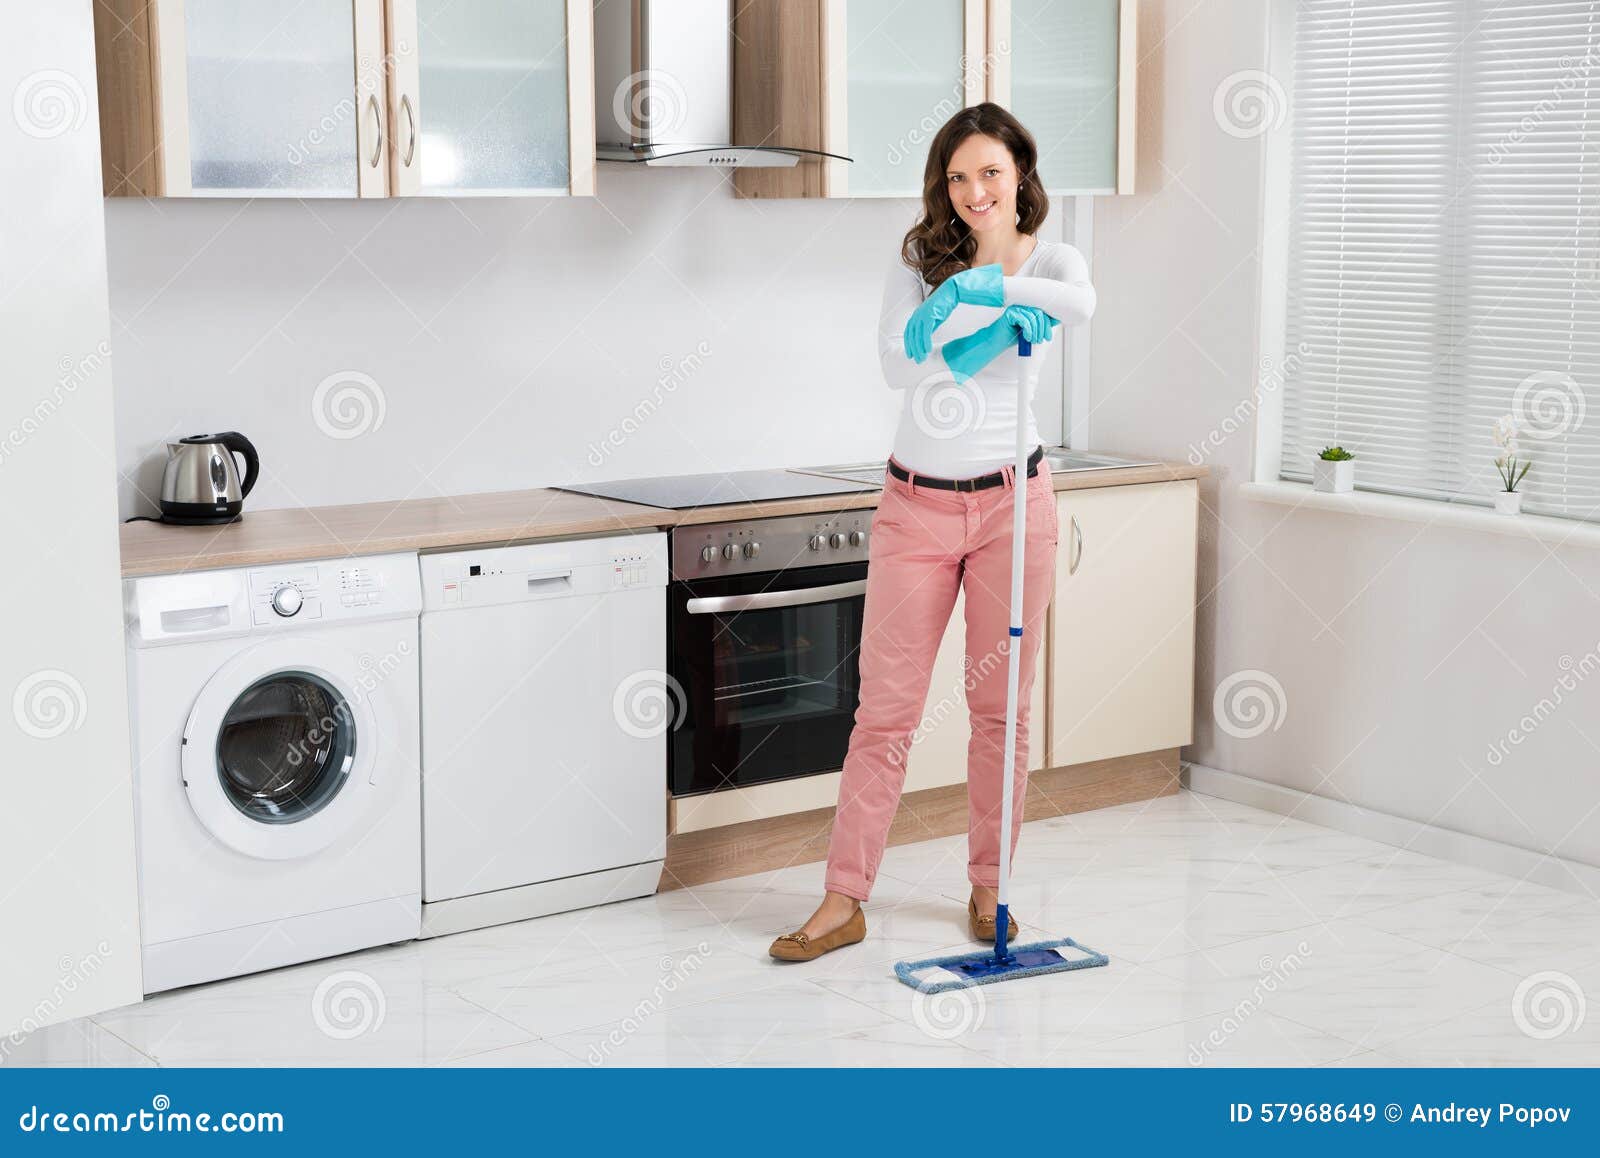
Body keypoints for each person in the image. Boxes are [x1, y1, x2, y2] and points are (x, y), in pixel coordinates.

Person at [769, 103, 1097, 962]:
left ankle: (990, 888)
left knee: (1001, 713)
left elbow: (1080, 300)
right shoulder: (920, 258)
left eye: (990, 171)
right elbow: (893, 360)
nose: (974, 191)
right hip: (915, 507)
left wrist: (994, 289)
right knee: (886, 713)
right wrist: (972, 306)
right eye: (957, 177)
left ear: (1020, 171)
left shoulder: (1055, 258)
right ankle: (845, 900)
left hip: (1012, 505)